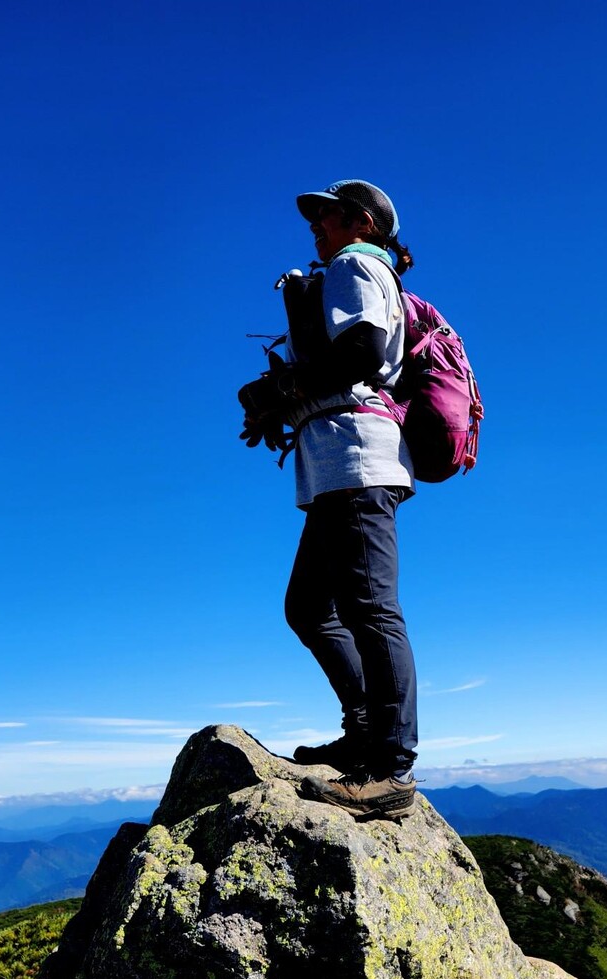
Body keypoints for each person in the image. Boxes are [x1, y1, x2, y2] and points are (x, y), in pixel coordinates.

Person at [272, 178, 419, 820]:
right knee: (309, 606)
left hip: (357, 458)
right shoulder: (355, 266)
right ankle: (364, 730)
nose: (316, 227)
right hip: (338, 465)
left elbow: (359, 352)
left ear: (360, 222)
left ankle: (389, 766)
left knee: (370, 608)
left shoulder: (356, 264)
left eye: (326, 217)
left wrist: (283, 390)